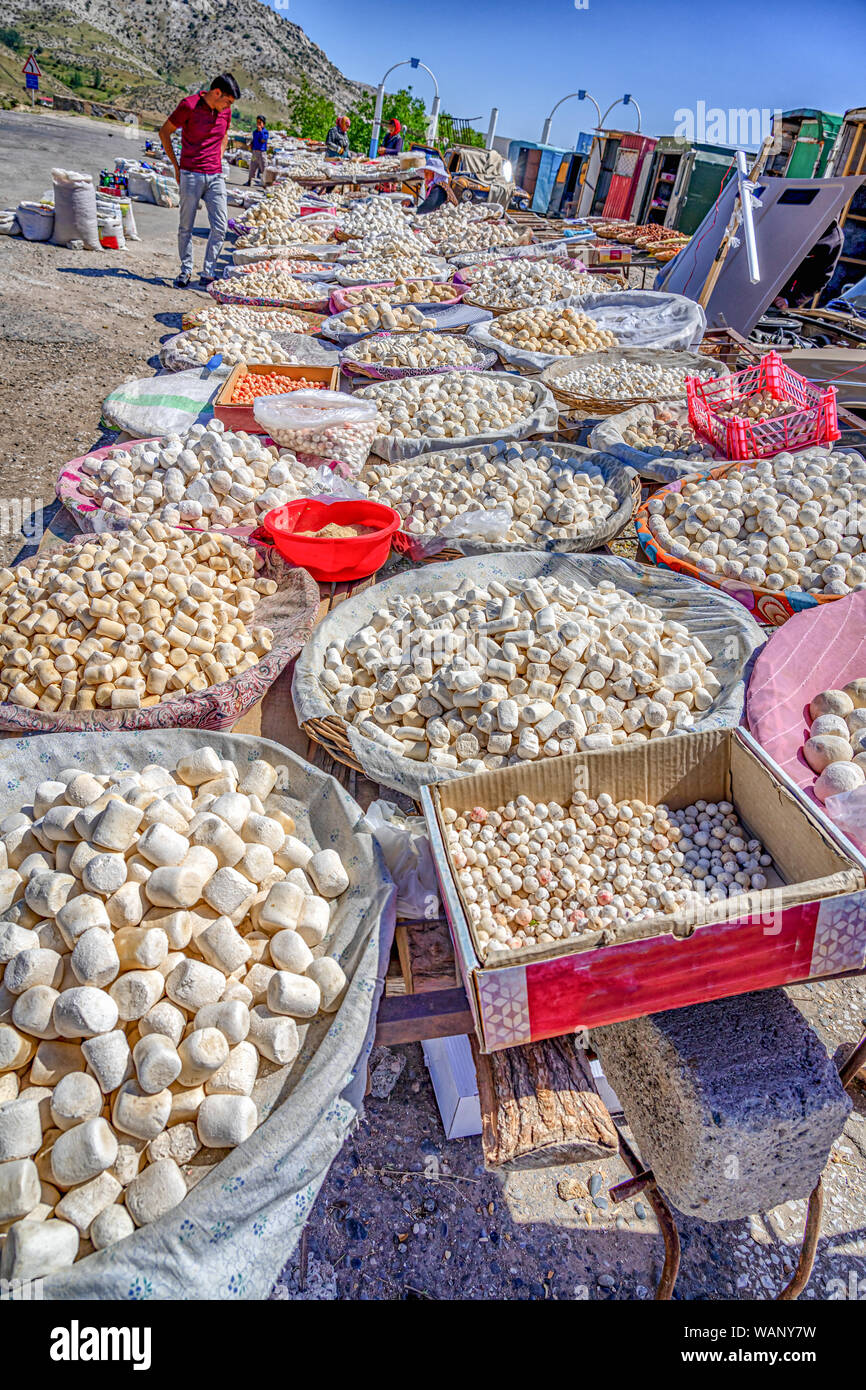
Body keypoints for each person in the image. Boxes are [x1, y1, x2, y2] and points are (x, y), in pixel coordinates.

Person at [159, 72, 240, 290]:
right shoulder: (189, 105)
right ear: (216, 92)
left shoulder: (226, 112)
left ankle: (208, 272)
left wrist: (219, 156)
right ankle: (185, 270)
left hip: (215, 176)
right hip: (190, 174)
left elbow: (224, 134)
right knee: (186, 226)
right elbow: (164, 132)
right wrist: (177, 167)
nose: (228, 106)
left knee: (221, 226)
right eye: (227, 101)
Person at [774, 221, 844, 310]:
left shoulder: (834, 238)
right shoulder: (791, 214)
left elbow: (819, 280)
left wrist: (788, 300)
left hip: (778, 302)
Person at [247, 114, 269, 186]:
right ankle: (250, 180)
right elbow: (254, 139)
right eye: (257, 122)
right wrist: (251, 144)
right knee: (252, 166)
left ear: (263, 124)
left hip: (262, 153)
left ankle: (265, 183)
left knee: (264, 167)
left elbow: (263, 140)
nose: (258, 124)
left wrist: (261, 132)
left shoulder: (265, 132)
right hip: (255, 152)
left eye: (260, 123)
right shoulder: (255, 132)